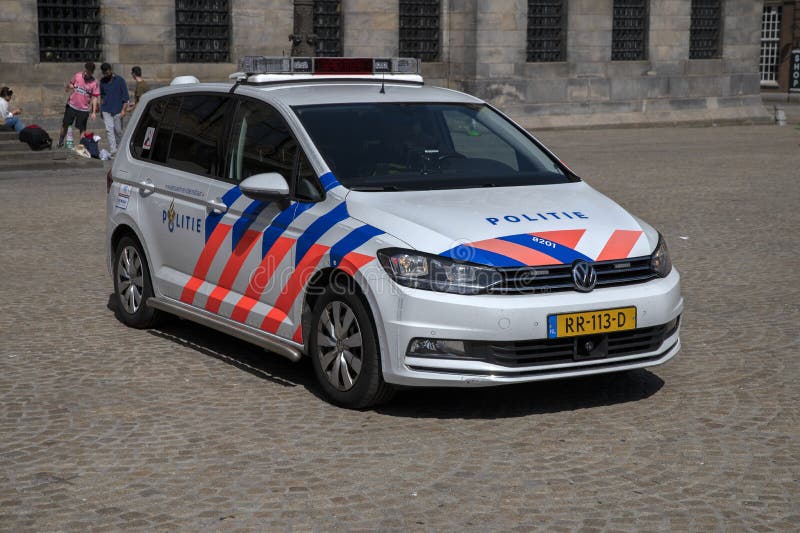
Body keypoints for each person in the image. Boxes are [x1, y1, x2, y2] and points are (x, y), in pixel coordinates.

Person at [58, 61, 99, 148]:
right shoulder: (77, 76)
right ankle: (60, 141)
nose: (86, 73)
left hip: (84, 109)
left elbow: (95, 97)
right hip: (72, 105)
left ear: (92, 72)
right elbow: (68, 86)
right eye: (85, 71)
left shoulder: (94, 82)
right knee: (65, 125)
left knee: (82, 129)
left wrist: (94, 112)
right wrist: (69, 86)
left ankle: (81, 146)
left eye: (88, 72)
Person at [99, 62, 129, 155]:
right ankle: (113, 150)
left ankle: (120, 148)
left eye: (107, 73)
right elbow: (102, 96)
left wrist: (124, 110)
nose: (106, 75)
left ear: (111, 70)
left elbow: (126, 97)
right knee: (109, 129)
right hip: (106, 109)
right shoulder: (102, 81)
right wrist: (101, 108)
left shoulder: (120, 80)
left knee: (118, 130)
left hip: (118, 109)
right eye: (104, 73)